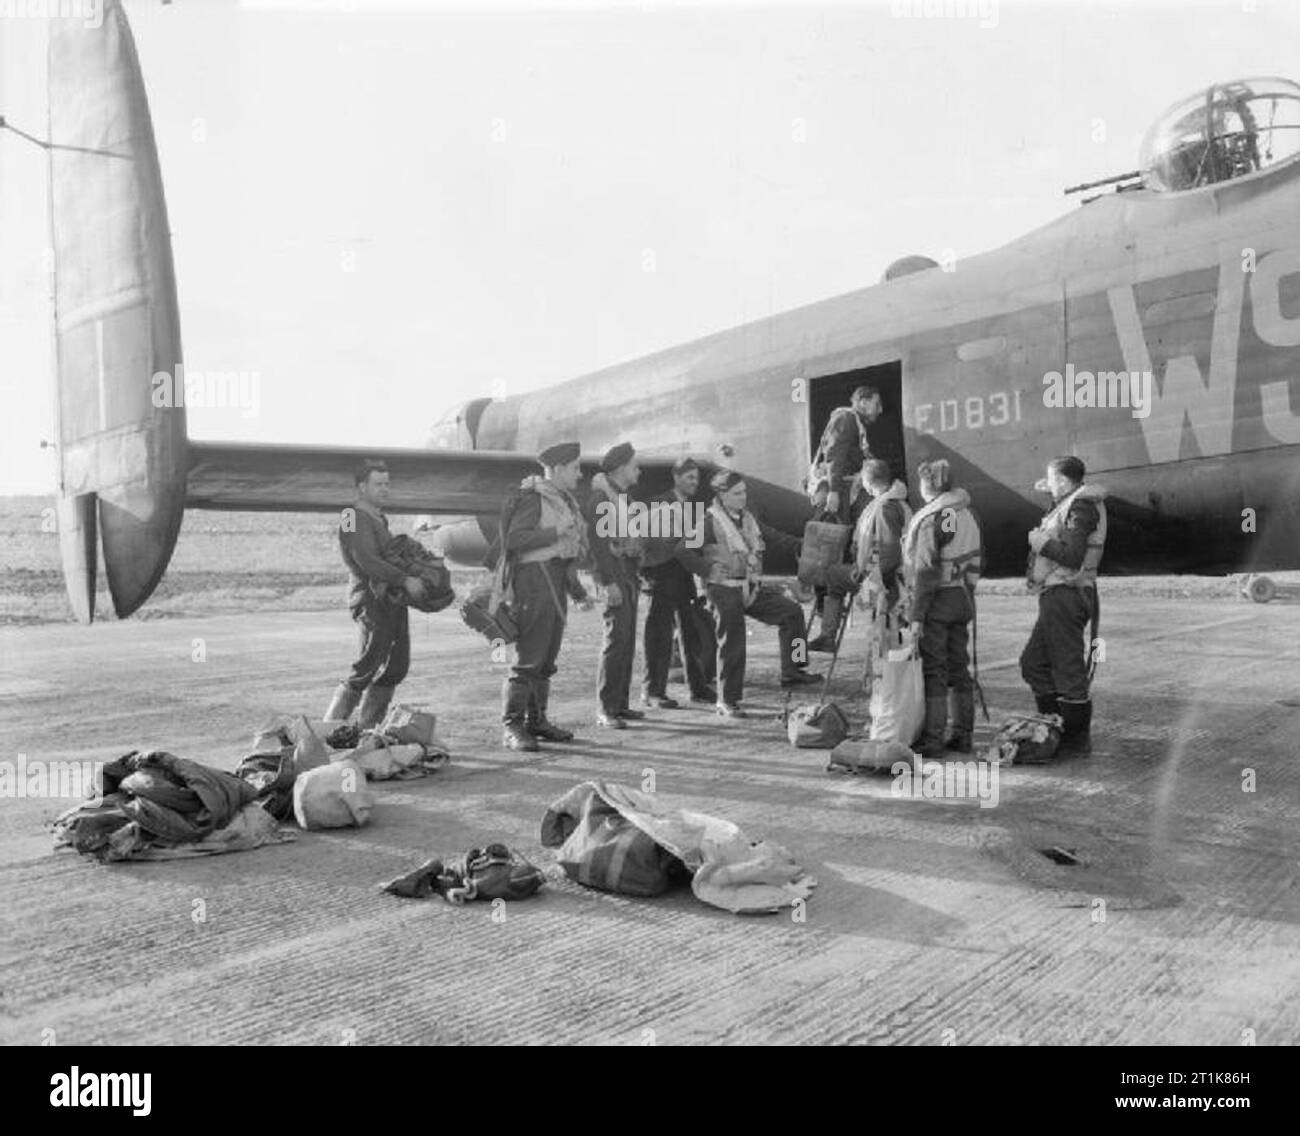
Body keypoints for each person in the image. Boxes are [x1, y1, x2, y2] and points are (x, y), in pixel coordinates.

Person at [681, 470, 820, 718]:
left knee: (792, 612)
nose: (743, 497)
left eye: (744, 492)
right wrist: (707, 570)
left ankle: (794, 669)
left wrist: (803, 545)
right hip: (723, 590)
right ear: (722, 495)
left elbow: (773, 537)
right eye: (737, 493)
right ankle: (727, 700)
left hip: (750, 587)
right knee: (733, 643)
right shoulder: (707, 522)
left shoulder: (748, 519)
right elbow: (683, 550)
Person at [498, 441, 590, 752]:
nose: (580, 474)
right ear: (559, 469)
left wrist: (578, 591)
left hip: (554, 581)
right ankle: (512, 726)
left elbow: (564, 554)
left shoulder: (561, 500)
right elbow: (514, 539)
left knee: (546, 657)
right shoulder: (534, 499)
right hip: (534, 583)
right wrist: (554, 532)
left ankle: (537, 721)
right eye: (576, 467)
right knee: (529, 658)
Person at [323, 459, 427, 728]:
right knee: (368, 664)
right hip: (370, 598)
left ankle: (367, 729)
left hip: (391, 598)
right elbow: (365, 559)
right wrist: (404, 578)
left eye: (387, 484)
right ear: (361, 487)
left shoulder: (379, 517)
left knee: (396, 666)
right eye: (378, 484)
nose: (385, 489)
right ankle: (330, 728)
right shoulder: (351, 516)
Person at [1020, 455, 1108, 751]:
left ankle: (1074, 742)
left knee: (1069, 673)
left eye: (1052, 480)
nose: (1049, 486)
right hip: (1057, 594)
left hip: (1068, 594)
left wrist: (1040, 543)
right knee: (1033, 664)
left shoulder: (1080, 507)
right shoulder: (1069, 502)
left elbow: (1072, 556)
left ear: (1064, 480)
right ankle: (1053, 726)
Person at [901, 459, 982, 759]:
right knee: (959, 668)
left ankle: (932, 739)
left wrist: (916, 617)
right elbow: (974, 563)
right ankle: (963, 734)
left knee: (934, 670)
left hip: (936, 605)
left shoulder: (932, 519)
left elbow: (925, 573)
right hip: (961, 600)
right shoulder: (966, 514)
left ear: (928, 486)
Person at [807, 459, 910, 652]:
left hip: (883, 580)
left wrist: (865, 572)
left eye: (862, 480)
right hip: (889, 575)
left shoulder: (885, 508)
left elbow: (889, 554)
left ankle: (828, 635)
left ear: (869, 482)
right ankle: (828, 634)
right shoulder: (894, 502)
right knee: (838, 573)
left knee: (831, 573)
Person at [639, 457, 718, 708]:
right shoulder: (657, 504)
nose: (694, 482)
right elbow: (643, 544)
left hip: (683, 577)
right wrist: (647, 576)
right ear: (676, 477)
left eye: (696, 478)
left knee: (690, 633)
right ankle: (652, 691)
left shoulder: (693, 507)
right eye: (689, 478)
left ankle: (698, 688)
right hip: (660, 578)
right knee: (659, 637)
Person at [585, 442, 645, 729]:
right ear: (621, 468)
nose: (639, 471)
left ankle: (620, 705)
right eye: (635, 466)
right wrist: (608, 583)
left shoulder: (623, 498)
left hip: (628, 574)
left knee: (626, 641)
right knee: (615, 641)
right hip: (613, 575)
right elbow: (597, 547)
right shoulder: (601, 500)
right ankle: (605, 709)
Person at [808, 384, 884, 525]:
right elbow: (835, 454)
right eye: (877, 404)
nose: (880, 410)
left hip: (843, 487)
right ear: (863, 402)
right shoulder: (846, 418)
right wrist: (834, 491)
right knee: (829, 539)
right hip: (836, 488)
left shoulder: (854, 422)